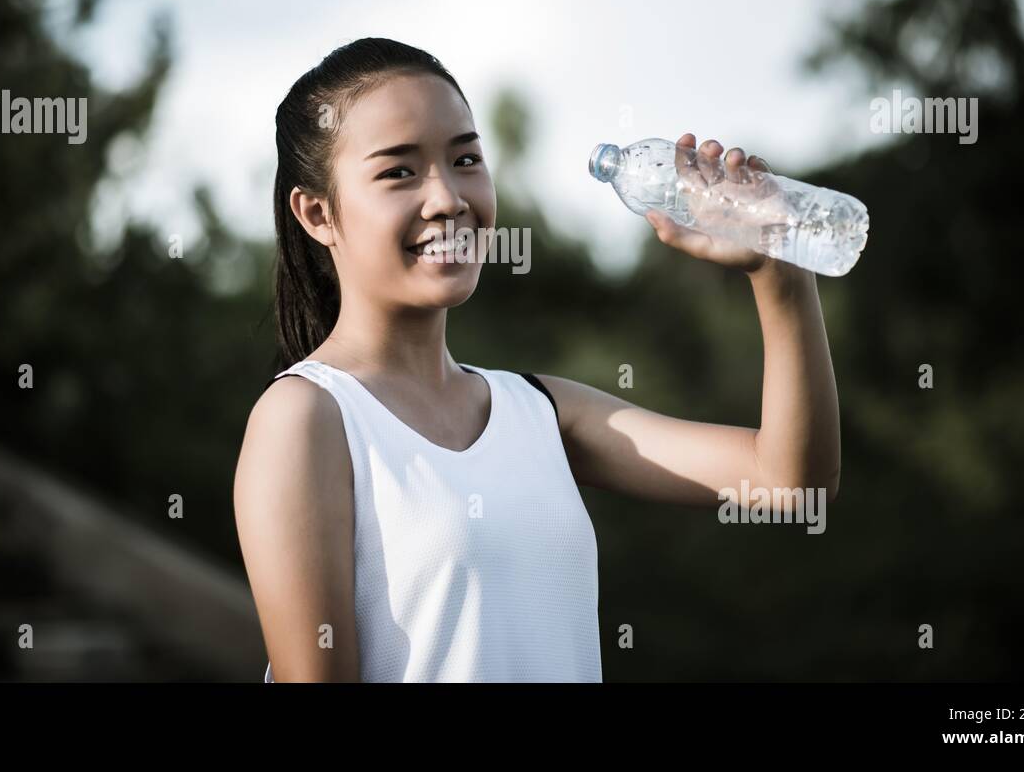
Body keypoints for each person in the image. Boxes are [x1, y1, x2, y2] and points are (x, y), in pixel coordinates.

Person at [233, 38, 841, 682]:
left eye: (465, 158)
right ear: (318, 213)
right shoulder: (305, 420)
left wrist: (777, 269)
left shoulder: (542, 410)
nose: (448, 198)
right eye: (399, 172)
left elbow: (790, 483)